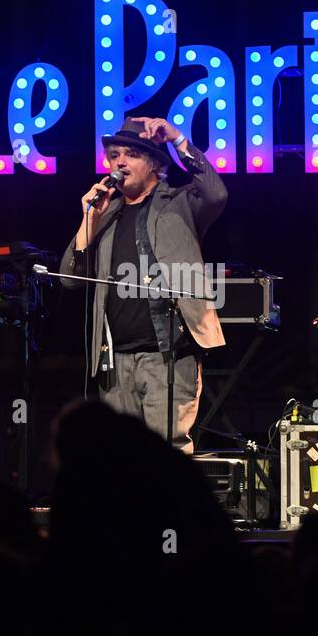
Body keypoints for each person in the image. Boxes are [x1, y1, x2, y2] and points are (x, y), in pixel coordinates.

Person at [59, 116, 227, 452]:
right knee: (121, 460)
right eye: (114, 155)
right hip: (115, 361)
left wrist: (178, 139)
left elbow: (216, 192)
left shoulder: (180, 203)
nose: (119, 162)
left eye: (130, 154)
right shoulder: (105, 216)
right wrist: (88, 219)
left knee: (165, 458)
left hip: (167, 357)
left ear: (153, 164)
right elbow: (69, 278)